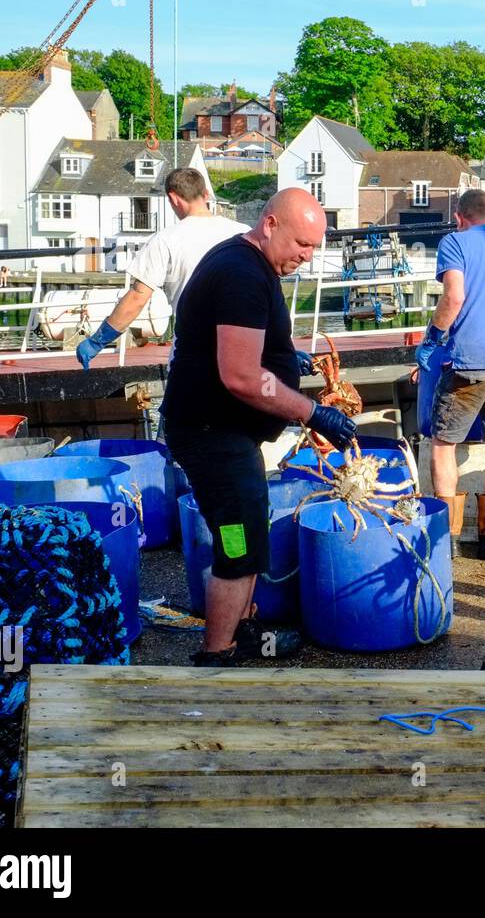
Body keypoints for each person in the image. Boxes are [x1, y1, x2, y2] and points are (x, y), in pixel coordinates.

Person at [161, 188, 356, 666]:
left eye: (314, 248)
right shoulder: (242, 274)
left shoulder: (248, 263)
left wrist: (287, 356)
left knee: (249, 531)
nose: (306, 258)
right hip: (211, 434)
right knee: (239, 544)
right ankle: (217, 653)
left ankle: (244, 630)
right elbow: (242, 375)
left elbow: (243, 345)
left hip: (227, 435)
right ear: (269, 224)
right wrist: (313, 413)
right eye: (300, 244)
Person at [416, 189, 485, 560]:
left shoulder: (454, 241)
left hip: (472, 363)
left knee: (443, 444)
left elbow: (454, 297)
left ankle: (445, 540)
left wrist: (431, 340)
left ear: (459, 217)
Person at [75, 167, 250, 369]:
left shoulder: (165, 240)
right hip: (246, 346)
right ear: (206, 194)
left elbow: (137, 298)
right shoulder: (243, 233)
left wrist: (98, 341)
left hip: (194, 350)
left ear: (173, 199)